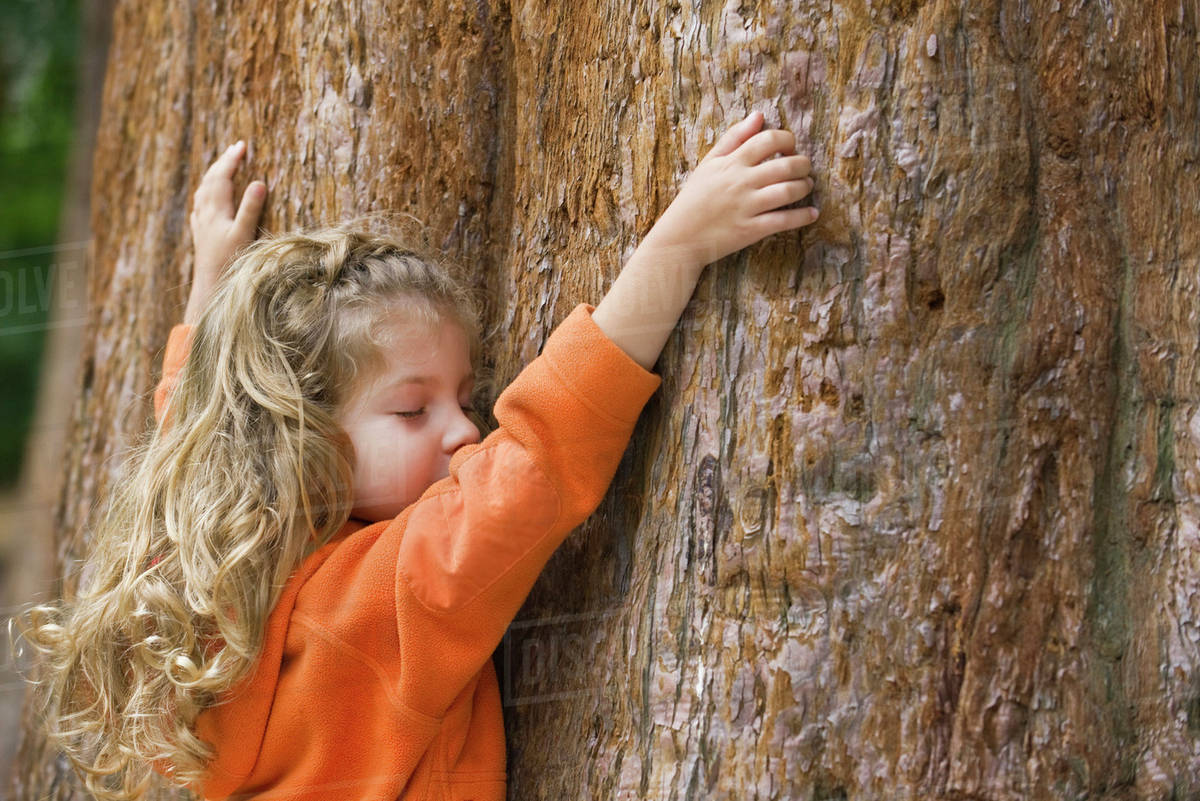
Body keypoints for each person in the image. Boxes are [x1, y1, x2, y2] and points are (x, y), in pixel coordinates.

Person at [8, 110, 818, 801]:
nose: (465, 431)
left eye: (464, 398)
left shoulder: (201, 605)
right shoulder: (385, 600)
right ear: (294, 431)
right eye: (411, 408)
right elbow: (536, 456)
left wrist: (212, 286)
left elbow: (195, 428)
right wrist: (681, 244)